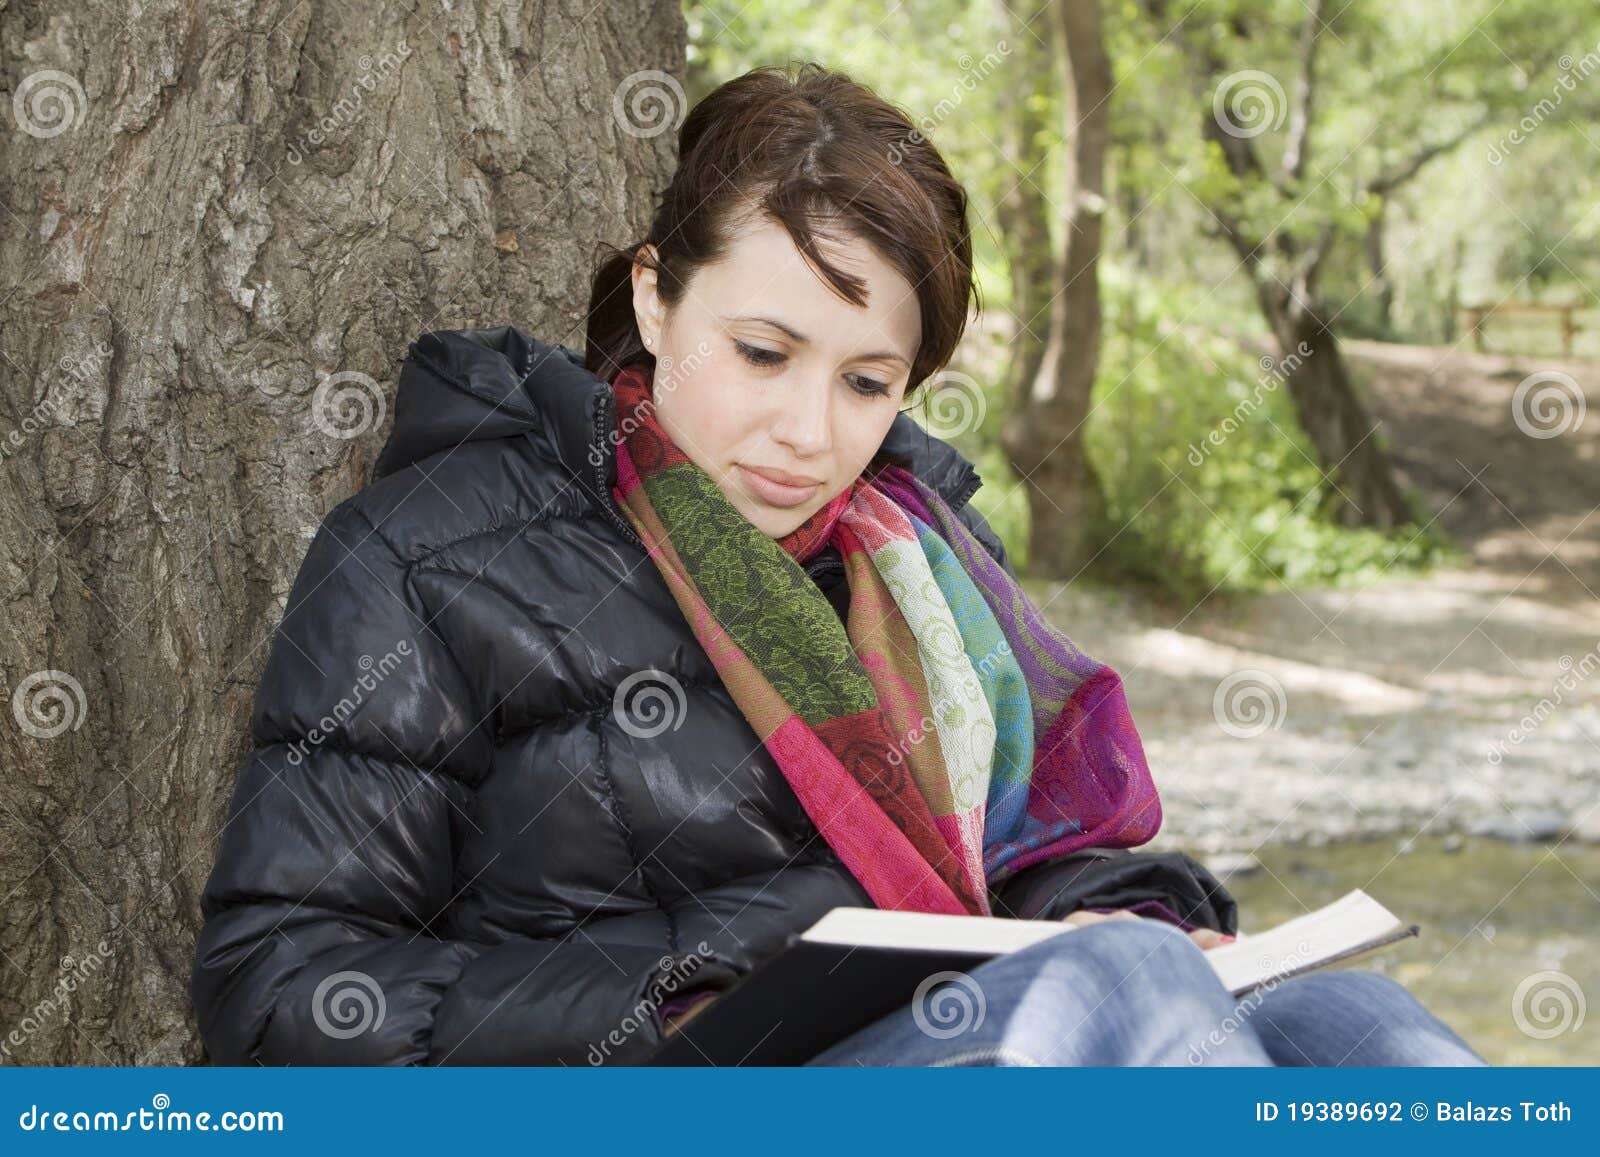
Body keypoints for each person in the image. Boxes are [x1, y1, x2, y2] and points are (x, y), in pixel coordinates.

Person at [189, 63, 1484, 1067]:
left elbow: (1030, 858)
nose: (811, 433)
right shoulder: (428, 555)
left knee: (1348, 1026)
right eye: (763, 352)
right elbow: (281, 981)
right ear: (655, 299)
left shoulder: (914, 553)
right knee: (1129, 999)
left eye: (867, 381)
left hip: (929, 1044)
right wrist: (694, 990)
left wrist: (1131, 909)